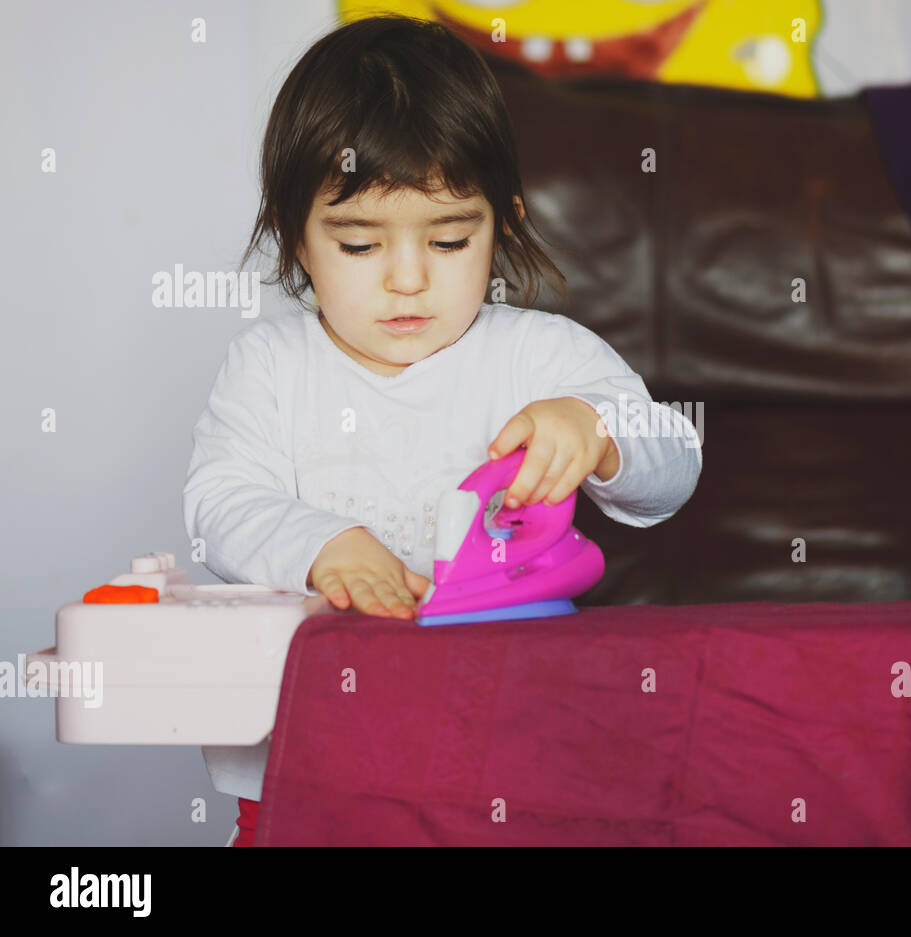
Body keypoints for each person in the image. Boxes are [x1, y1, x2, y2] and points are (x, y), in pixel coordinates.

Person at [183, 15, 702, 846]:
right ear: (297, 241)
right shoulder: (270, 367)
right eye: (358, 243)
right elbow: (219, 500)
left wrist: (598, 430)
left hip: (505, 761)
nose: (408, 278)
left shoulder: (539, 356)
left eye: (452, 237)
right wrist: (325, 543)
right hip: (308, 770)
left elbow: (676, 458)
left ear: (503, 224)